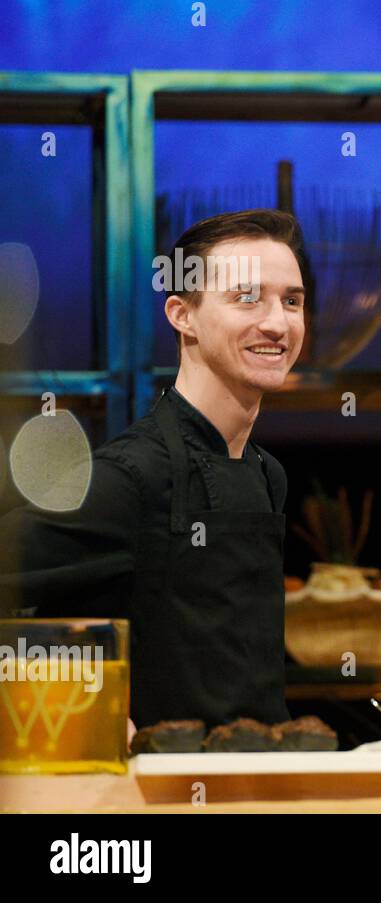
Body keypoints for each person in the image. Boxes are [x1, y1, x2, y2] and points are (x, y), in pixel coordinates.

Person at [0, 208, 307, 729]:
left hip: (256, 788)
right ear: (182, 314)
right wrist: (87, 716)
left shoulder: (266, 473)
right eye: (247, 298)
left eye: (292, 301)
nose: (277, 323)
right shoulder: (131, 475)